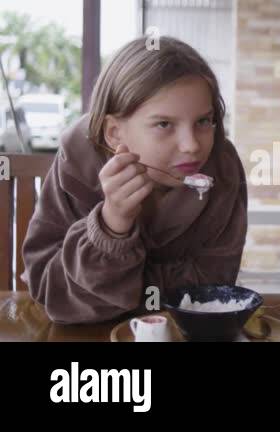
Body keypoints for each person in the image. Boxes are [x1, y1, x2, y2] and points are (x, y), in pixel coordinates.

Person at [22, 36, 248, 324]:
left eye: (203, 121)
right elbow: (49, 289)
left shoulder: (222, 165)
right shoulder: (78, 160)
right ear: (114, 133)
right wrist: (111, 225)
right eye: (164, 124)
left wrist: (114, 287)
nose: (191, 145)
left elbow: (212, 288)